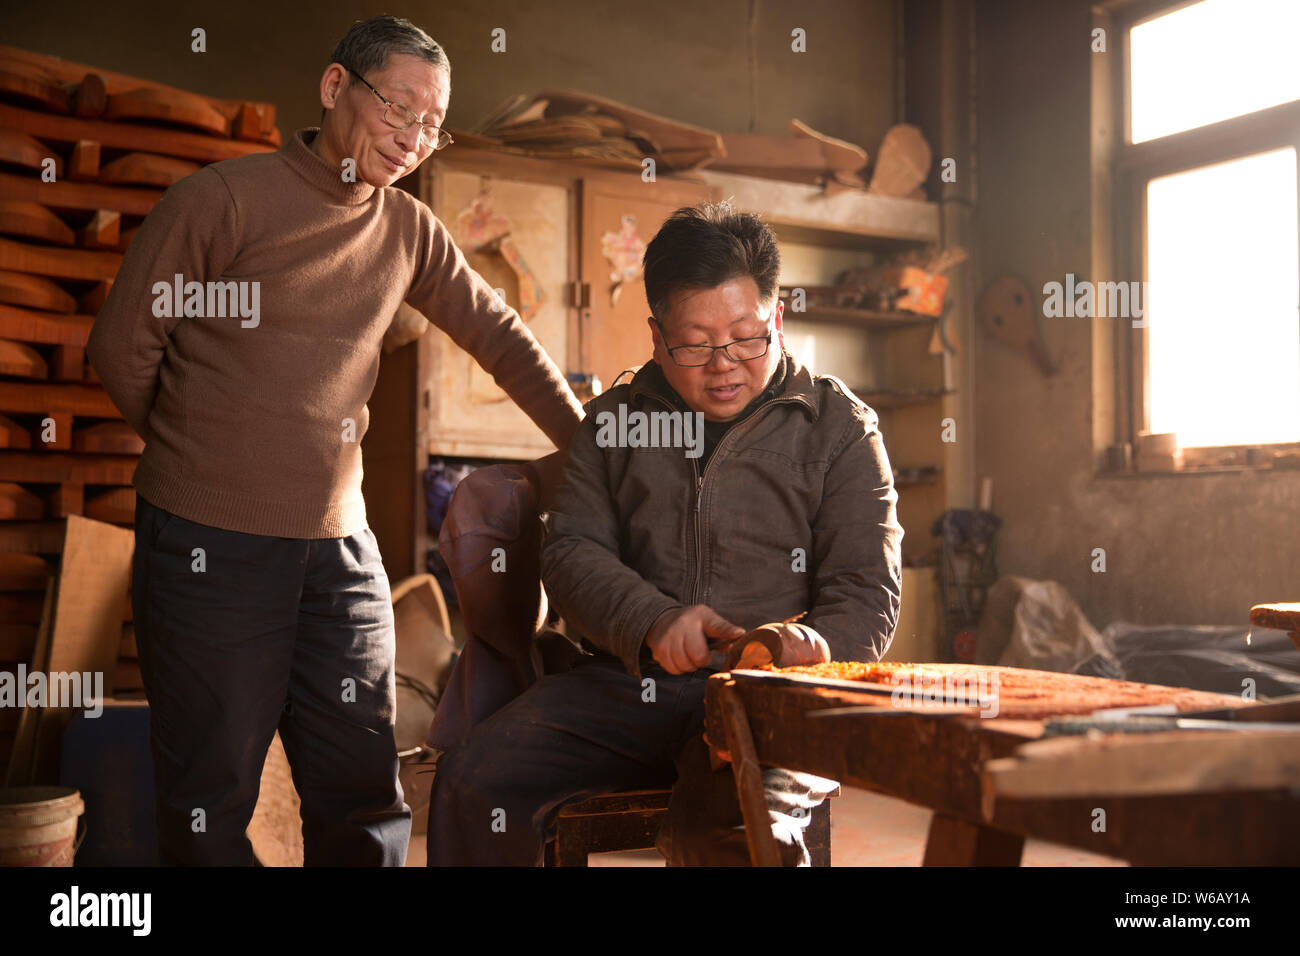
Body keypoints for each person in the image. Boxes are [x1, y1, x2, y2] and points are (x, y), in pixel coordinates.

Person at [86, 15, 582, 866]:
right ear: (333, 88)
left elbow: (497, 334)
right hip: (210, 546)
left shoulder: (407, 231)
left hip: (341, 554)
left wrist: (589, 448)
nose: (413, 138)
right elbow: (122, 351)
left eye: (433, 124)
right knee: (209, 799)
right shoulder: (222, 201)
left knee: (363, 795)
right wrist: (212, 461)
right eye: (399, 109)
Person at [426, 202, 903, 865]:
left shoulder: (839, 428)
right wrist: (653, 619)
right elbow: (571, 552)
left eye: (746, 336)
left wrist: (808, 647)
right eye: (696, 344)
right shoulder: (615, 421)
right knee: (470, 782)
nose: (724, 365)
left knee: (730, 835)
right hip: (628, 686)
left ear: (778, 319)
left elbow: (868, 589)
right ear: (656, 336)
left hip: (768, 698)